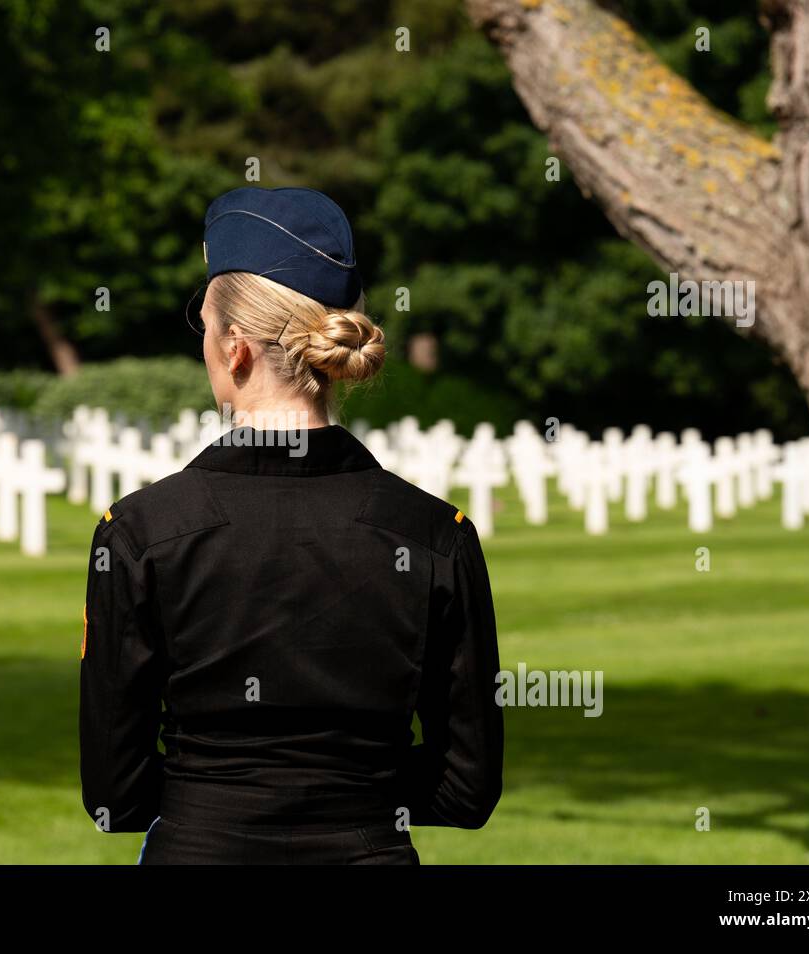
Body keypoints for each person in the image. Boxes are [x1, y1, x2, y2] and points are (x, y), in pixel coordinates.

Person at [79, 185, 504, 864]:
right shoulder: (434, 534)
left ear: (236, 348)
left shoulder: (140, 533)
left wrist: (215, 798)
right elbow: (466, 788)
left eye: (205, 330)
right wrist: (348, 794)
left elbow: (114, 793)